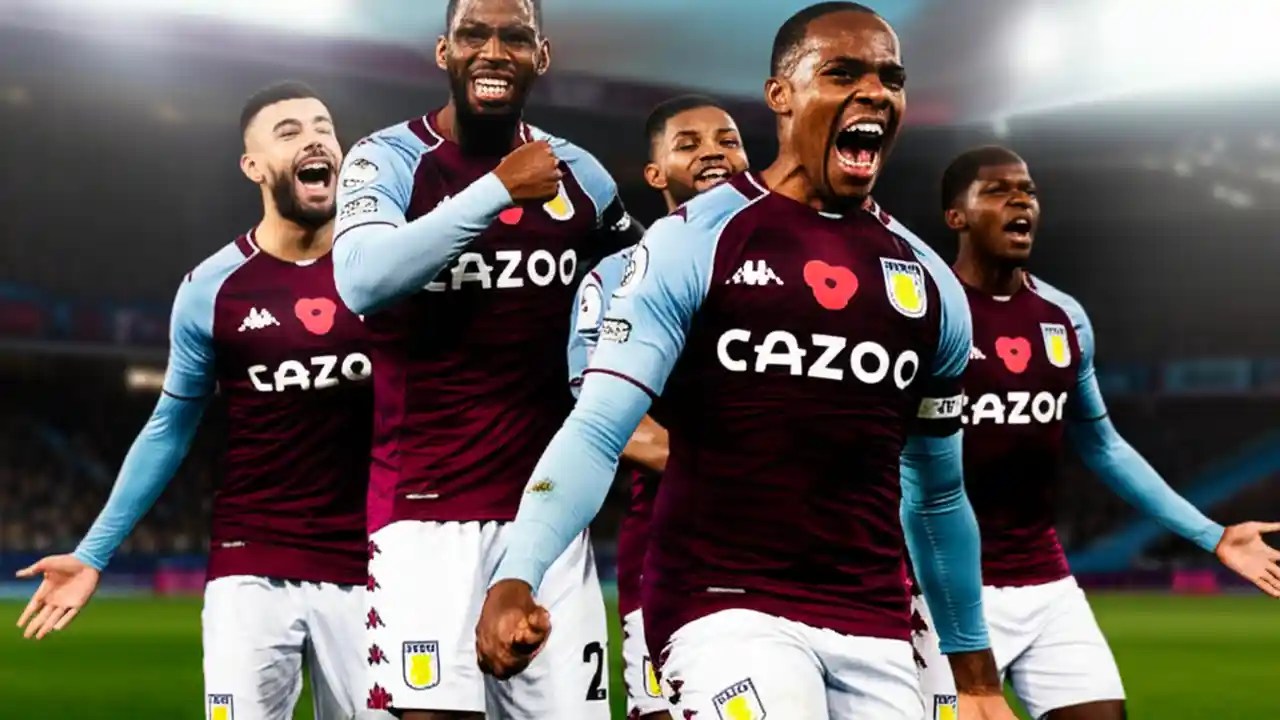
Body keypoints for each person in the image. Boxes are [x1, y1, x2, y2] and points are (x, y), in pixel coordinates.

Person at [477, 3, 1019, 719]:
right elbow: (598, 430)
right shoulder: (692, 242)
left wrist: (975, 676)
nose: (874, 94)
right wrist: (519, 572)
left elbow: (939, 495)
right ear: (781, 96)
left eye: (891, 79)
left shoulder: (931, 286)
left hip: (874, 620)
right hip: (722, 604)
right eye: (842, 73)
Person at [16, 81, 383, 720]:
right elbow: (169, 428)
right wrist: (94, 552)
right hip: (251, 567)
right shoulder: (210, 289)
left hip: (376, 566)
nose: (315, 137)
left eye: (323, 125)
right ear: (253, 166)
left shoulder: (387, 267)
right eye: (289, 131)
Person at [330, 0, 643, 716]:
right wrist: (497, 191)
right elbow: (362, 279)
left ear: (543, 55)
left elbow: (647, 278)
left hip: (549, 514)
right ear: (444, 52)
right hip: (421, 512)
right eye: (474, 34)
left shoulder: (581, 175)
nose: (494, 50)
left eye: (515, 36)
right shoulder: (389, 158)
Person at [910, 144, 1280, 720]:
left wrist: (1212, 534)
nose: (1020, 201)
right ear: (955, 216)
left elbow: (1102, 445)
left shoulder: (1063, 318)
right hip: (941, 595)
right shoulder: (924, 312)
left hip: (1045, 581)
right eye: (998, 190)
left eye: (1028, 190)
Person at [567, 94, 750, 720]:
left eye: (727, 140)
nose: (713, 153)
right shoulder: (616, 279)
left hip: (808, 550)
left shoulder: (800, 257)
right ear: (654, 174)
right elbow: (611, 423)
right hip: (671, 547)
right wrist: (749, 478)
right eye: (689, 143)